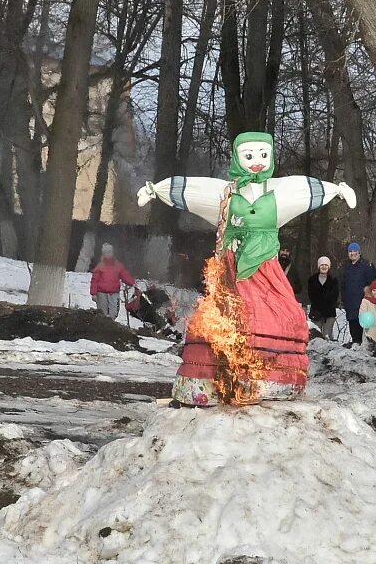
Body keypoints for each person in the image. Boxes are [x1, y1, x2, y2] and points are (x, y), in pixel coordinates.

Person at [137, 132, 357, 404]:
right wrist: (156, 190)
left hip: (265, 270)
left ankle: (272, 380)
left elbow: (304, 189)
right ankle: (211, 381)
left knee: (278, 316)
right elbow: (193, 190)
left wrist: (336, 190)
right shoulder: (226, 193)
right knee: (222, 321)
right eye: (249, 155)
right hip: (232, 270)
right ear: (238, 156)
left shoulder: (278, 192)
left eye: (263, 155)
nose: (256, 162)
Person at [340, 242, 376, 345]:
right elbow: (343, 286)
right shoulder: (346, 267)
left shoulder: (367, 266)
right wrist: (344, 300)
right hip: (351, 306)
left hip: (364, 306)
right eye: (350, 251)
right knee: (355, 336)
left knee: (366, 336)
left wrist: (370, 300)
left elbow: (374, 285)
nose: (352, 253)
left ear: (359, 252)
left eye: (355, 251)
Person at [90, 244, 137, 319]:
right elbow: (94, 281)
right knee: (102, 313)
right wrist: (94, 293)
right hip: (101, 293)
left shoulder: (118, 265)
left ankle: (111, 325)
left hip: (114, 293)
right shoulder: (100, 266)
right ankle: (102, 326)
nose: (108, 254)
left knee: (114, 313)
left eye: (109, 252)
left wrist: (132, 282)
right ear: (103, 254)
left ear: (112, 253)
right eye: (106, 252)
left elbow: (125, 275)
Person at [306, 256, 340, 340]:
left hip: (329, 313)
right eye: (322, 265)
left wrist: (327, 306)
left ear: (329, 266)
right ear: (319, 266)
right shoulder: (312, 280)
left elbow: (334, 297)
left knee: (327, 336)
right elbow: (311, 296)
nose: (324, 267)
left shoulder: (333, 281)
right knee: (316, 336)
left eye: (326, 265)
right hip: (316, 312)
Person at [359, 279, 376, 353]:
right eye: (374, 290)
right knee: (370, 350)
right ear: (371, 290)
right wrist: (366, 321)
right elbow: (362, 314)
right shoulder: (365, 301)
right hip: (369, 329)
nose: (375, 293)